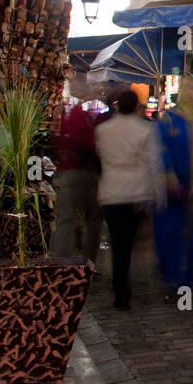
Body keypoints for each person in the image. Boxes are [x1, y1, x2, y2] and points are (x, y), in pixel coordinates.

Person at [95, 90, 165, 310]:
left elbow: (99, 158)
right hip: (136, 192)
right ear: (137, 107)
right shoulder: (145, 129)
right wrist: (159, 194)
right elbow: (154, 163)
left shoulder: (102, 130)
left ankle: (121, 289)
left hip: (111, 191)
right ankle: (124, 288)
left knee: (119, 243)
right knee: (128, 243)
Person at [154, 73, 193, 302]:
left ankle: (190, 279)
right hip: (173, 192)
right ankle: (174, 281)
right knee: (171, 236)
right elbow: (159, 152)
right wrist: (170, 180)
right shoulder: (168, 121)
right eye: (192, 89)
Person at [51, 99, 103, 265]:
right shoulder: (82, 117)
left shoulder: (65, 115)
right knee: (92, 220)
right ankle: (88, 263)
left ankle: (61, 264)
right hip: (87, 174)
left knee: (66, 221)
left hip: (67, 174)